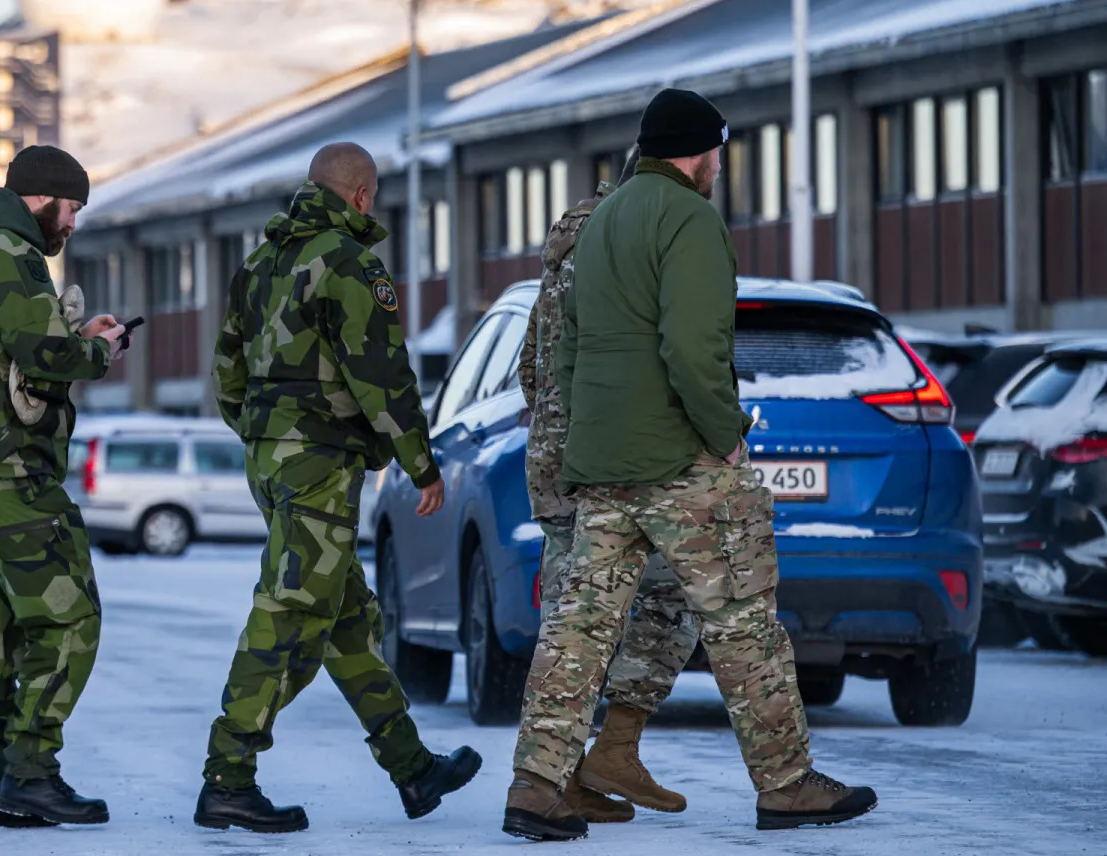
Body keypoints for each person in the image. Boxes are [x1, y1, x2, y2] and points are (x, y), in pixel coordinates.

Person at [503, 89, 877, 842]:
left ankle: (537, 786)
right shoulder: (691, 219)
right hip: (679, 460)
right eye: (717, 153)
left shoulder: (599, 220)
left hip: (602, 462)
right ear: (702, 153)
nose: (717, 167)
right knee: (742, 621)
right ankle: (787, 784)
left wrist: (583, 445)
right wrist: (727, 433)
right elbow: (693, 348)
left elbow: (566, 351)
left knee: (576, 630)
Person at [196, 142, 481, 834]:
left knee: (349, 622)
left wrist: (266, 437)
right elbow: (381, 374)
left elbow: (226, 371)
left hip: (273, 459)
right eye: (373, 196)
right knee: (290, 612)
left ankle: (412, 770)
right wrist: (422, 463)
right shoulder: (349, 264)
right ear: (359, 196)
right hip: (319, 461)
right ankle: (227, 777)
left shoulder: (261, 264)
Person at [0, 145, 129, 830]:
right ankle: (32, 774)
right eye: (70, 207)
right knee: (70, 614)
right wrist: (97, 349)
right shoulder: (10, 252)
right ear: (41, 198)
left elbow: (13, 344)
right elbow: (43, 355)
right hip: (6, 463)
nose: (71, 223)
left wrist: (73, 331)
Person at [516, 147, 698, 825]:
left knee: (578, 620)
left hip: (562, 466)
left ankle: (585, 765)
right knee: (647, 606)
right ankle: (562, 775)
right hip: (615, 465)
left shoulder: (565, 250)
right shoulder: (634, 244)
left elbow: (530, 370)